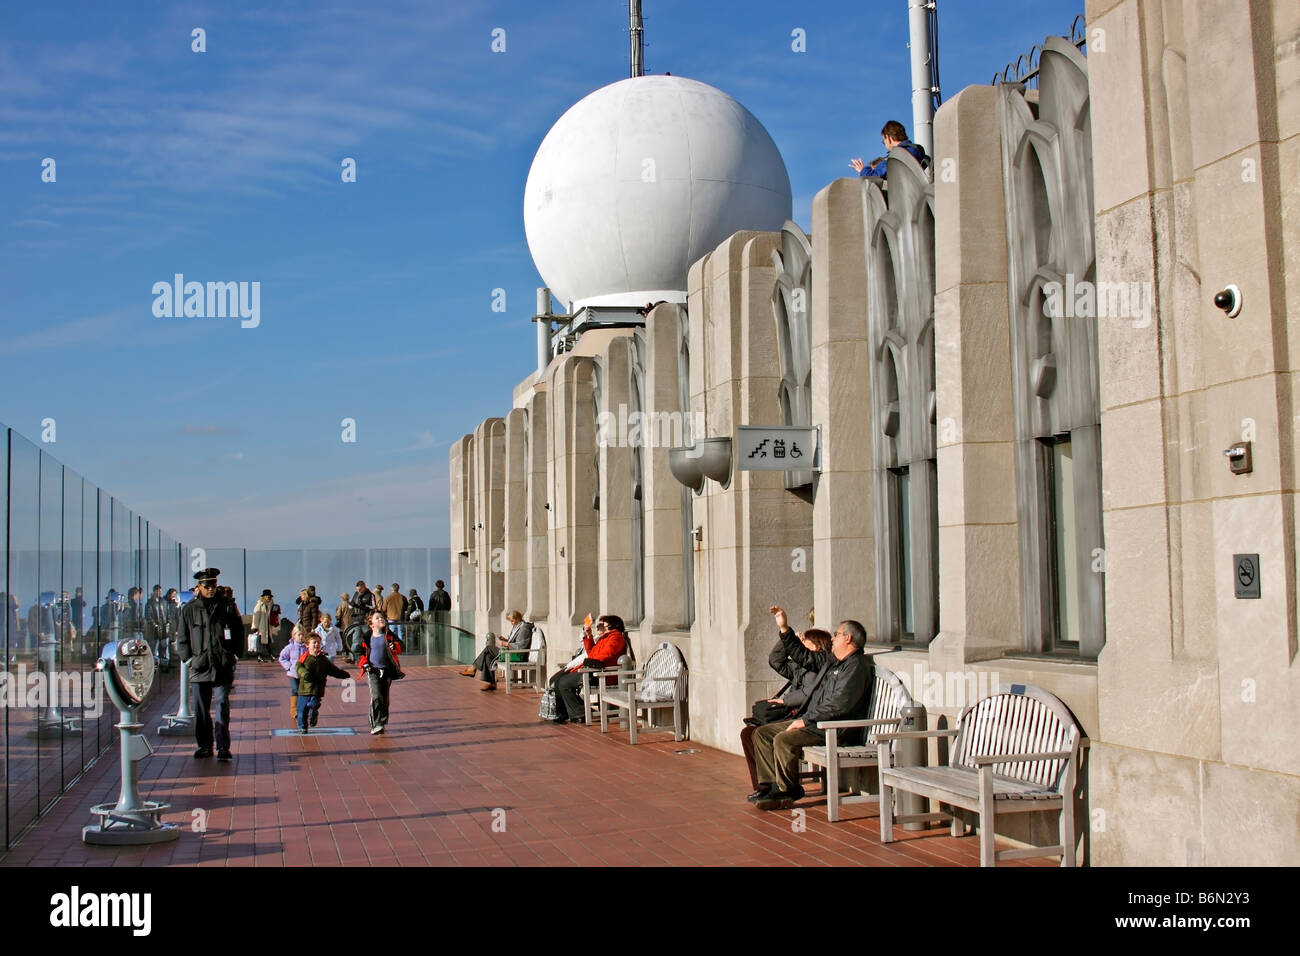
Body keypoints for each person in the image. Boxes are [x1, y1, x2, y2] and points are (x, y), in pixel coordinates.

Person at [748, 608, 873, 809]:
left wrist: (806, 720)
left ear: (848, 638)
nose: (833, 639)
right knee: (762, 733)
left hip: (834, 728)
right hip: (816, 722)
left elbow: (839, 704)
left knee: (783, 739)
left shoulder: (856, 667)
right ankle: (772, 787)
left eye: (837, 635)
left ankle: (788, 790)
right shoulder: (833, 662)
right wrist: (784, 628)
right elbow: (804, 656)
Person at [740, 619, 833, 796]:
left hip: (801, 717)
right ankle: (764, 786)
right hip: (791, 715)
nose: (799, 645)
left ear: (815, 647)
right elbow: (775, 660)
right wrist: (787, 640)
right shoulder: (799, 667)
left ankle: (778, 787)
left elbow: (809, 692)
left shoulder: (818, 669)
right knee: (748, 733)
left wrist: (785, 701)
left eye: (804, 642)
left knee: (759, 734)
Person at [176, 567, 245, 760]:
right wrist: (189, 660)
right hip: (200, 666)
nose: (211, 589)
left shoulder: (226, 606)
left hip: (222, 664)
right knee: (201, 708)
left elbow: (239, 631)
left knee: (222, 704)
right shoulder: (189, 610)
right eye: (207, 585)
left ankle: (223, 747)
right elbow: (182, 638)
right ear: (199, 586)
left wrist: (235, 656)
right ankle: (205, 746)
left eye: (213, 584)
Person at [546, 614, 628, 725]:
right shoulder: (604, 637)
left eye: (601, 624)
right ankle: (566, 712)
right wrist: (588, 636)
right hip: (592, 670)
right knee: (557, 681)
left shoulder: (616, 637)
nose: (598, 626)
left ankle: (579, 713)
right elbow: (592, 653)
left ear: (610, 625)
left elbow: (606, 655)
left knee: (564, 683)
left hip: (602, 674)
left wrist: (588, 662)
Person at [460, 610, 533, 691]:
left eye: (512, 621)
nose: (511, 623)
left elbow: (521, 646)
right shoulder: (517, 627)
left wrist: (506, 644)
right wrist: (505, 639)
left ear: (517, 619)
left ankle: (473, 668)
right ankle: (491, 683)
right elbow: (515, 641)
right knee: (488, 656)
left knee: (489, 648)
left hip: (517, 655)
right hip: (511, 653)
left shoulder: (524, 629)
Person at [358, 610, 403, 735]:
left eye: (382, 617)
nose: (380, 619)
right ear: (371, 624)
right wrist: (365, 664)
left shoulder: (389, 635)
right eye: (377, 618)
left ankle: (382, 721)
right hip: (373, 671)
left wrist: (395, 646)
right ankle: (374, 724)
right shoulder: (367, 637)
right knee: (376, 696)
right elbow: (361, 654)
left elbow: (400, 646)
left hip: (387, 671)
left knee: (385, 699)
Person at [295, 633, 350, 734]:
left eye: (318, 643)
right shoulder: (304, 657)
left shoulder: (323, 659)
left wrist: (343, 674)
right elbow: (298, 667)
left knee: (313, 704)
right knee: (301, 710)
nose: (316, 644)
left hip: (317, 689)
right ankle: (303, 727)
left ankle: (313, 714)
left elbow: (332, 670)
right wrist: (304, 673)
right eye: (314, 642)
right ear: (307, 645)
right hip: (304, 689)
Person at [850, 120, 930, 179]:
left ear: (888, 137)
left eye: (883, 141)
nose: (885, 145)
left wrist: (862, 170)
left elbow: (875, 177)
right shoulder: (917, 153)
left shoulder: (896, 157)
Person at [279, 623, 309, 724]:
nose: (301, 637)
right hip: (293, 674)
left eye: (303, 635)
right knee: (295, 689)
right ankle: (294, 710)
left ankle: (302, 709)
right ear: (294, 635)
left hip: (303, 674)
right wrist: (288, 667)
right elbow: (282, 658)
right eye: (299, 635)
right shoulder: (290, 647)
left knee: (303, 691)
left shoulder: (306, 648)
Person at [251, 590, 274, 663]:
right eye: (267, 596)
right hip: (261, 626)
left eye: (269, 596)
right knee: (262, 642)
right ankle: (269, 655)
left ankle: (263, 656)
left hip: (267, 626)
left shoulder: (270, 605)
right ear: (263, 597)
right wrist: (255, 627)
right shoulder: (260, 605)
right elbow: (256, 616)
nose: (268, 597)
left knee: (266, 641)